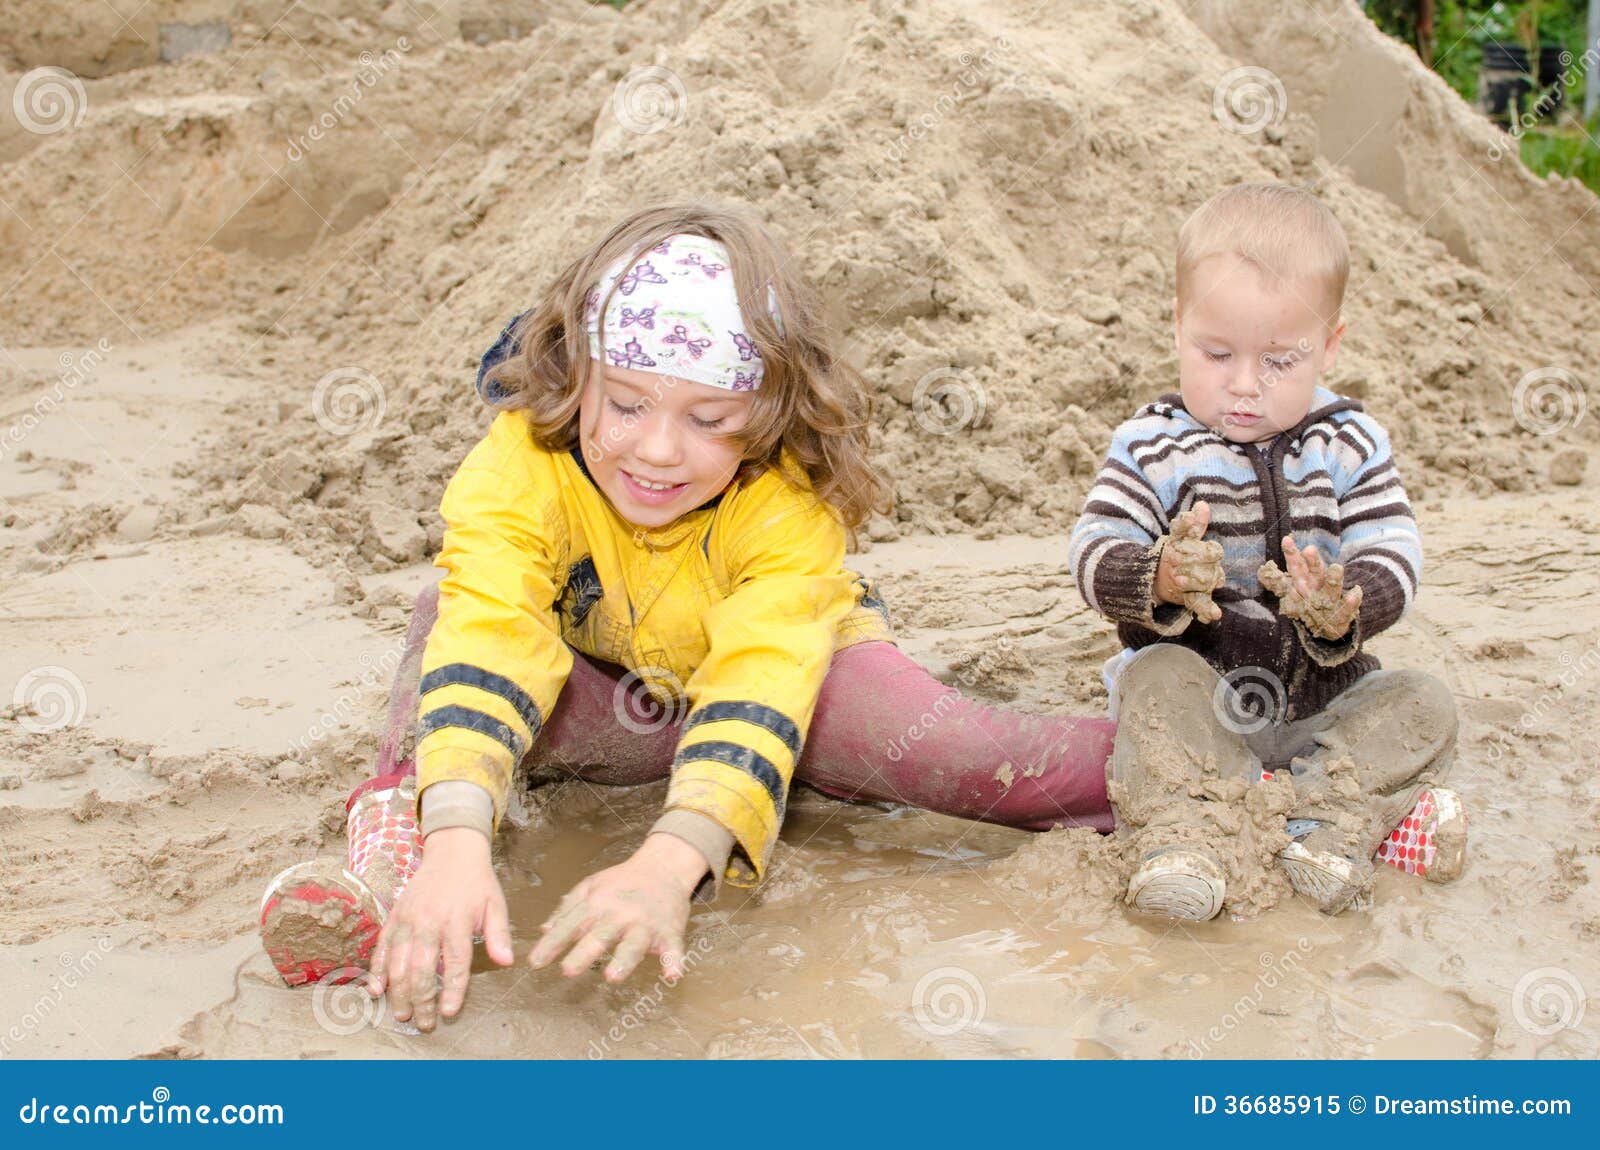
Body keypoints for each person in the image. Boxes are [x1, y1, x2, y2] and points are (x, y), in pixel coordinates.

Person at [259, 202, 1118, 1032]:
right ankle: (396, 858)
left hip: (796, 688)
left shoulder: (785, 498)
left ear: (768, 415)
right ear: (577, 376)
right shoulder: (522, 460)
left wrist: (672, 861)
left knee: (963, 755)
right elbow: (491, 630)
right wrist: (458, 841)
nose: (659, 450)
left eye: (708, 420)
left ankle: (1183, 764)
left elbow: (760, 678)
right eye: (626, 404)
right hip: (608, 698)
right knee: (447, 609)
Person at [1068, 183, 1465, 923]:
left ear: (1331, 346)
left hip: (1321, 703)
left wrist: (1349, 599)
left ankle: (1321, 818)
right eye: (1216, 353)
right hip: (1202, 700)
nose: (1245, 386)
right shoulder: (1152, 445)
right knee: (1154, 679)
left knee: (1425, 706)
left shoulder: (1350, 441)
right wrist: (1153, 575)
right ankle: (1187, 835)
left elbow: (1396, 547)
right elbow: (1093, 546)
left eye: (1281, 360)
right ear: (1178, 326)